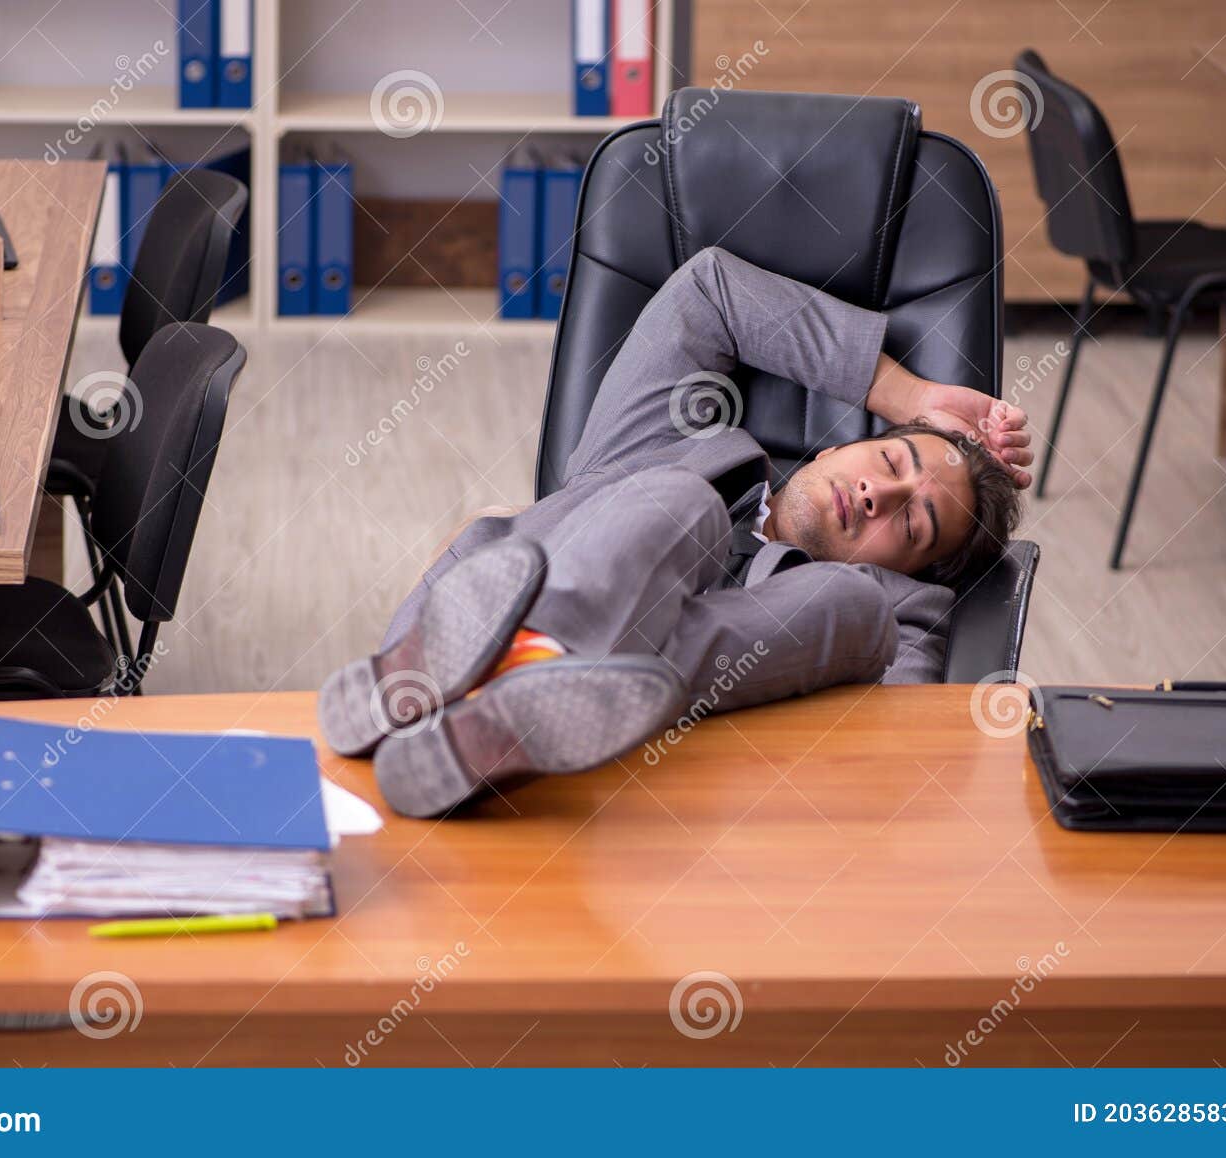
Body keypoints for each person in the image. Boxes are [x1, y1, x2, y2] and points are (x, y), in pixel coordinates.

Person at [320, 246, 1030, 817]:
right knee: (680, 503)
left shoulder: (892, 604)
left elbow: (895, 754)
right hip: (496, 745)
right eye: (890, 459)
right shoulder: (665, 435)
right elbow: (713, 291)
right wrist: (913, 398)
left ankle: (525, 677)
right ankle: (529, 671)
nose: (881, 494)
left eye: (914, 522)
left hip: (657, 801)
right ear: (832, 448)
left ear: (914, 570)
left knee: (851, 606)